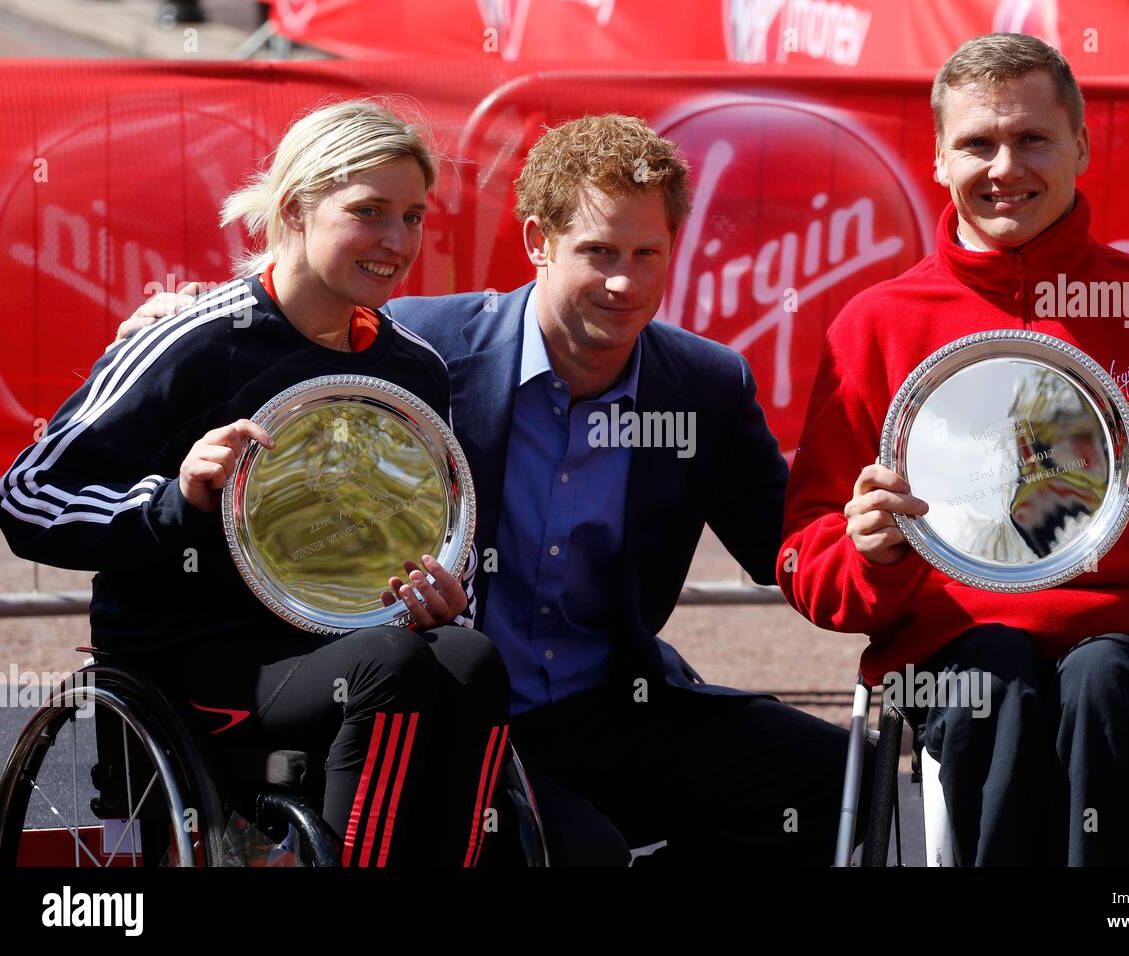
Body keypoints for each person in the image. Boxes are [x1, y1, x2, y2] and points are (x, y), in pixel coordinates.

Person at [116, 113, 851, 867]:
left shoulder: (704, 385)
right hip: (464, 713)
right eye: (597, 252)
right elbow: (293, 323)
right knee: (581, 855)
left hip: (614, 703)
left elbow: (788, 546)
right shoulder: (419, 350)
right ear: (538, 242)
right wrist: (196, 310)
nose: (624, 282)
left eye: (647, 253)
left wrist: (886, 542)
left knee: (834, 779)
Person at [778, 33, 1129, 865]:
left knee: (1103, 681)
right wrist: (869, 553)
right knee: (997, 679)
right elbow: (807, 562)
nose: (1003, 166)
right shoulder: (874, 327)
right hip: (952, 649)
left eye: (1033, 138)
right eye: (977, 142)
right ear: (939, 157)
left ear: (1082, 147)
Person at [0, 99, 510, 868]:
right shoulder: (194, 342)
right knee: (390, 664)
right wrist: (176, 498)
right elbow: (27, 495)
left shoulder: (411, 369)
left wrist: (446, 585)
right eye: (369, 212)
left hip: (339, 644)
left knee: (468, 658)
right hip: (192, 662)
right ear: (298, 209)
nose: (397, 242)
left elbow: (441, 522)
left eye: (412, 216)